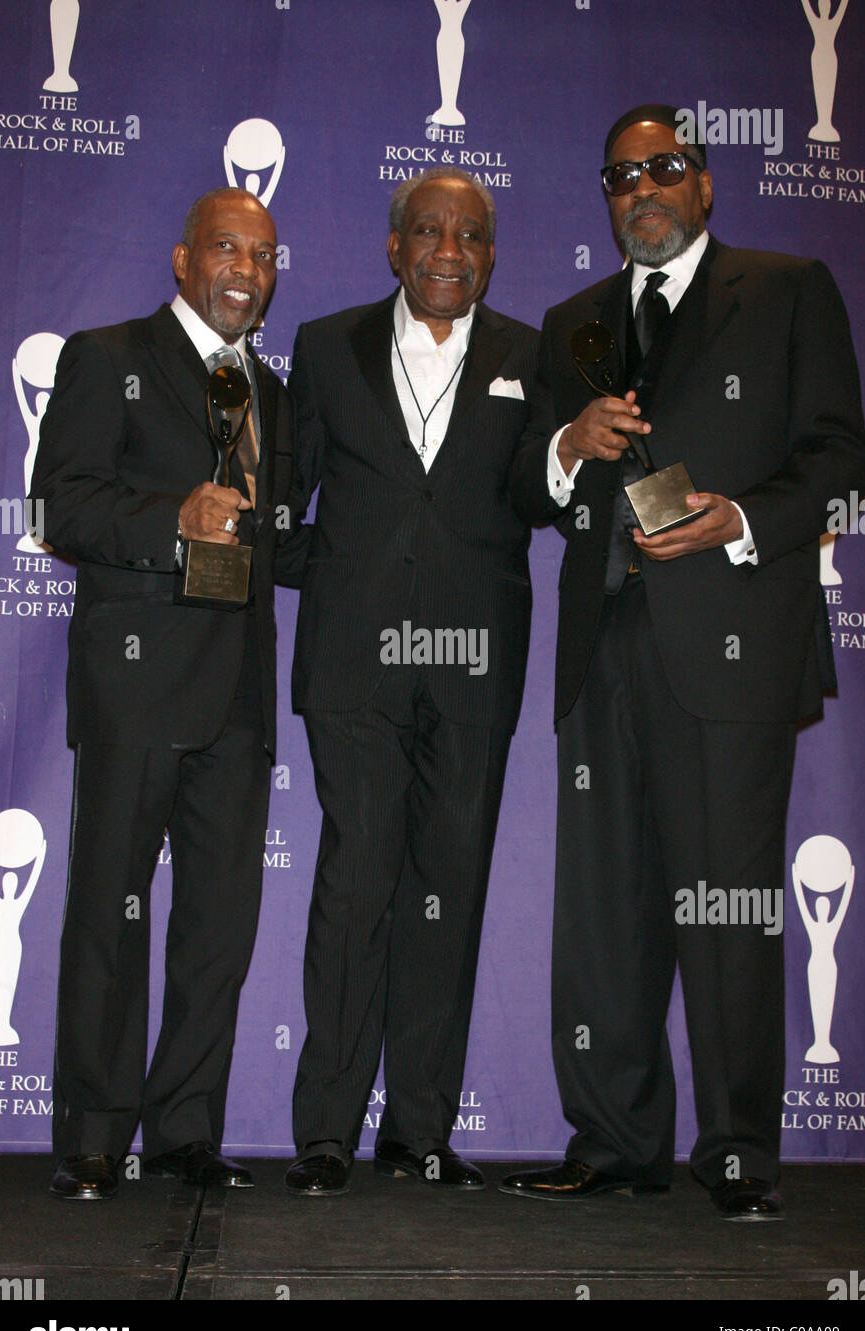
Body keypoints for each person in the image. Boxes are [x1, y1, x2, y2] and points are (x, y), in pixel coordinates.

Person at [502, 105, 865, 1219]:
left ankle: (737, 1152)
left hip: (731, 645)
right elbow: (523, 486)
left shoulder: (791, 284)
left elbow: (842, 456)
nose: (643, 189)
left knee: (724, 909)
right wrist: (568, 447)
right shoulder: (573, 324)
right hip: (603, 650)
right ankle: (613, 1141)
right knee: (606, 914)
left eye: (665, 168)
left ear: (705, 185)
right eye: (622, 177)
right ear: (606, 199)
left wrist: (741, 520)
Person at [31, 187, 298, 1199]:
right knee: (111, 911)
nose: (246, 267)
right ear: (183, 260)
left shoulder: (269, 390)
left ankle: (186, 1130)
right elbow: (59, 502)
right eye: (227, 247)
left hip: (238, 695)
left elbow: (280, 538)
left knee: (218, 926)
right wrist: (171, 518)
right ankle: (94, 1136)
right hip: (136, 684)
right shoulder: (106, 357)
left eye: (264, 254)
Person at [284, 168, 538, 1195]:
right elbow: (281, 496)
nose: (448, 248)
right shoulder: (325, 345)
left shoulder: (532, 355)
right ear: (394, 248)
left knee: (449, 890)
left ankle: (421, 1129)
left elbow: (549, 489)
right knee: (356, 882)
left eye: (470, 235)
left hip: (475, 667)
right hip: (353, 663)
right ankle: (326, 1132)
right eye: (429, 231)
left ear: (490, 254)